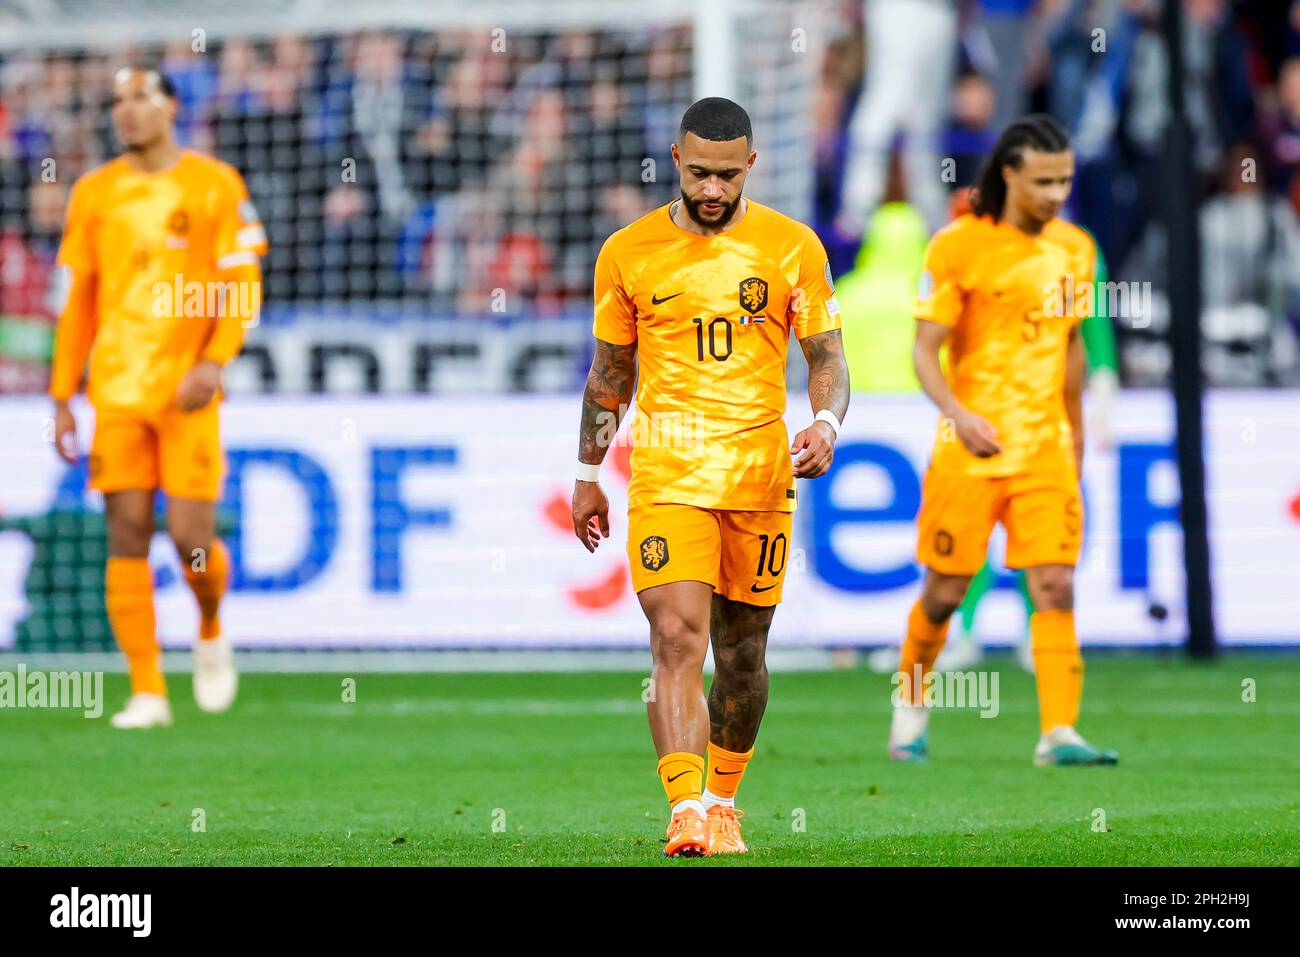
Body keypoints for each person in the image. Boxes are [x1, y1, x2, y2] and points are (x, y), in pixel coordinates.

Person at [571, 98, 850, 856]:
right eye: (699, 172)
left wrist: (826, 424)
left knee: (742, 653)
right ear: (675, 158)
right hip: (667, 474)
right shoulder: (627, 251)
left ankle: (723, 798)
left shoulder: (793, 247)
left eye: (728, 175)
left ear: (751, 165)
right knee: (675, 636)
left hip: (760, 479)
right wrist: (588, 469)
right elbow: (610, 374)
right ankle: (685, 806)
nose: (714, 189)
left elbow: (826, 356)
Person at [888, 114, 1118, 767]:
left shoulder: (1076, 248)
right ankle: (909, 709)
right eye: (1044, 181)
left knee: (1054, 584)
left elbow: (1070, 346)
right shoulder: (957, 245)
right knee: (945, 591)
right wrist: (957, 413)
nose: (1055, 193)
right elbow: (925, 351)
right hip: (972, 446)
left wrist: (1074, 435)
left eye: (1066, 181)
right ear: (1010, 174)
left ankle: (1058, 732)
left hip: (1044, 445)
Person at [50, 66, 267, 728]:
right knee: (127, 531)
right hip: (116, 391)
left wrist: (213, 361)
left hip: (189, 393)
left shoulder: (215, 184)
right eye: (117, 101)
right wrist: (62, 393)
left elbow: (242, 284)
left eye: (141, 97)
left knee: (190, 537)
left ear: (172, 106)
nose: (127, 111)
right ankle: (147, 689)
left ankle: (208, 623)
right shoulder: (94, 192)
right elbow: (78, 302)